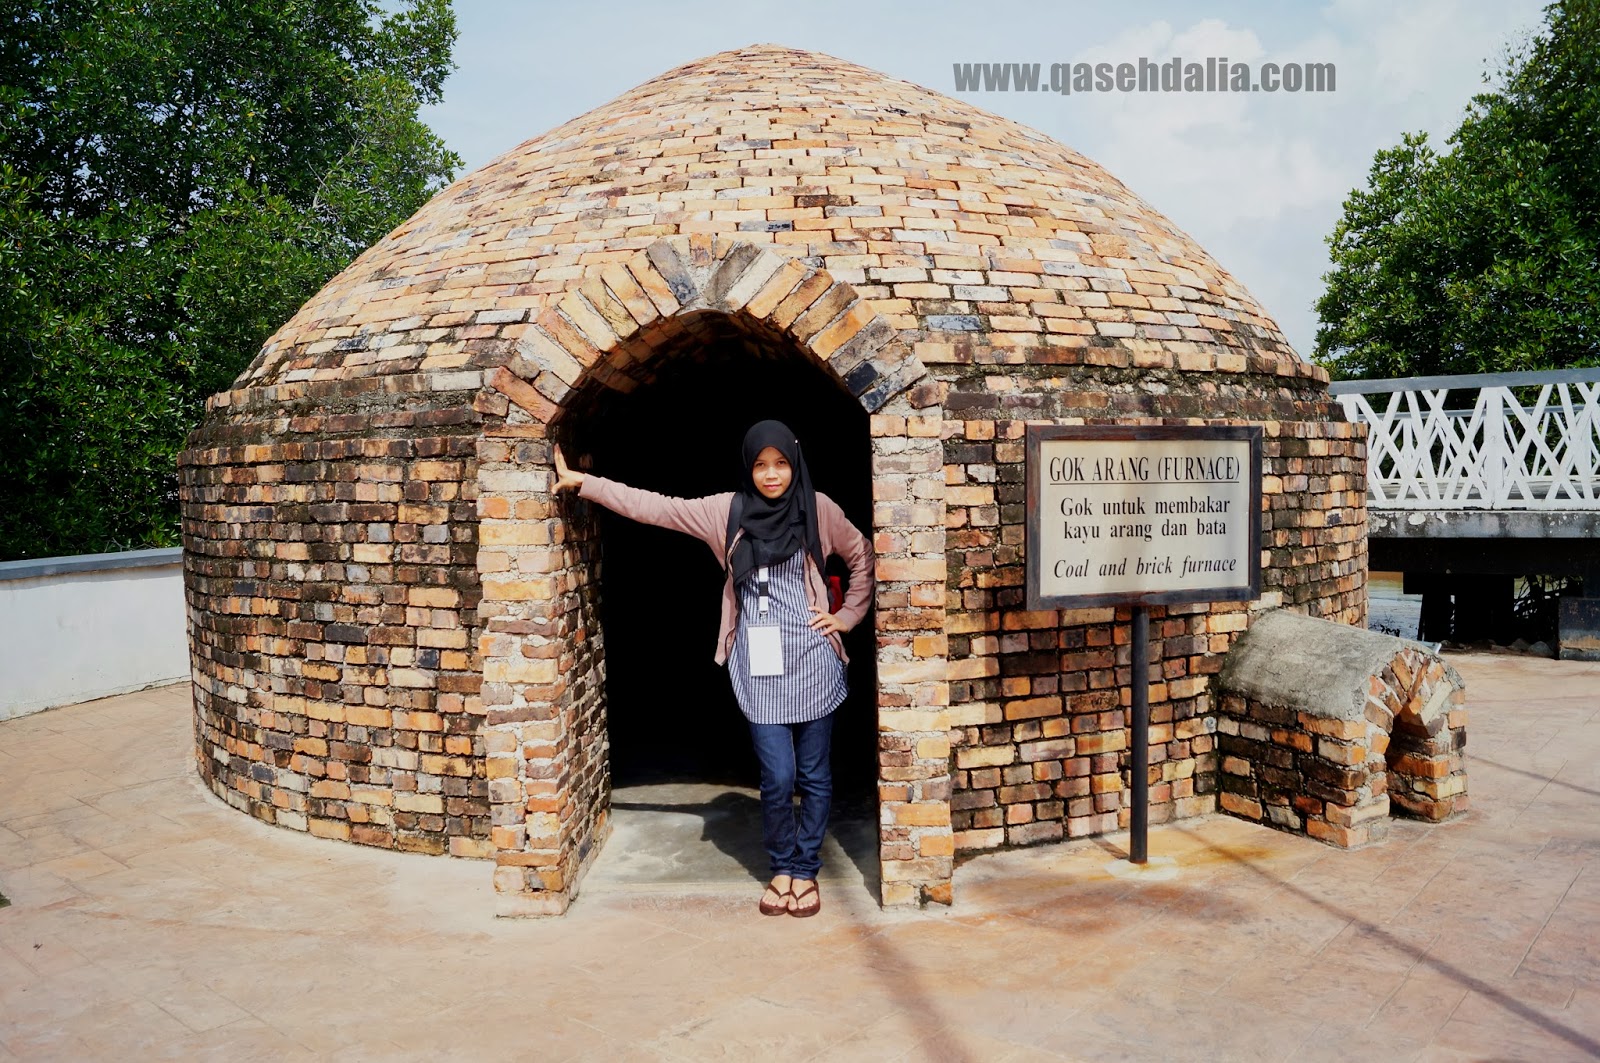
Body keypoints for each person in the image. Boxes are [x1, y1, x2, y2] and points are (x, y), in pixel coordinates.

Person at [551, 420, 874, 918]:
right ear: (748, 466)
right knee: (777, 774)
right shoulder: (726, 511)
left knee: (813, 775)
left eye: (781, 463)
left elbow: (861, 555)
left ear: (795, 463)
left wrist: (847, 616)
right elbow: (659, 508)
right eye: (761, 465)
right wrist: (587, 484)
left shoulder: (820, 509)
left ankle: (806, 870)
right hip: (759, 665)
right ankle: (782, 866)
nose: (771, 475)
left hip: (815, 662)